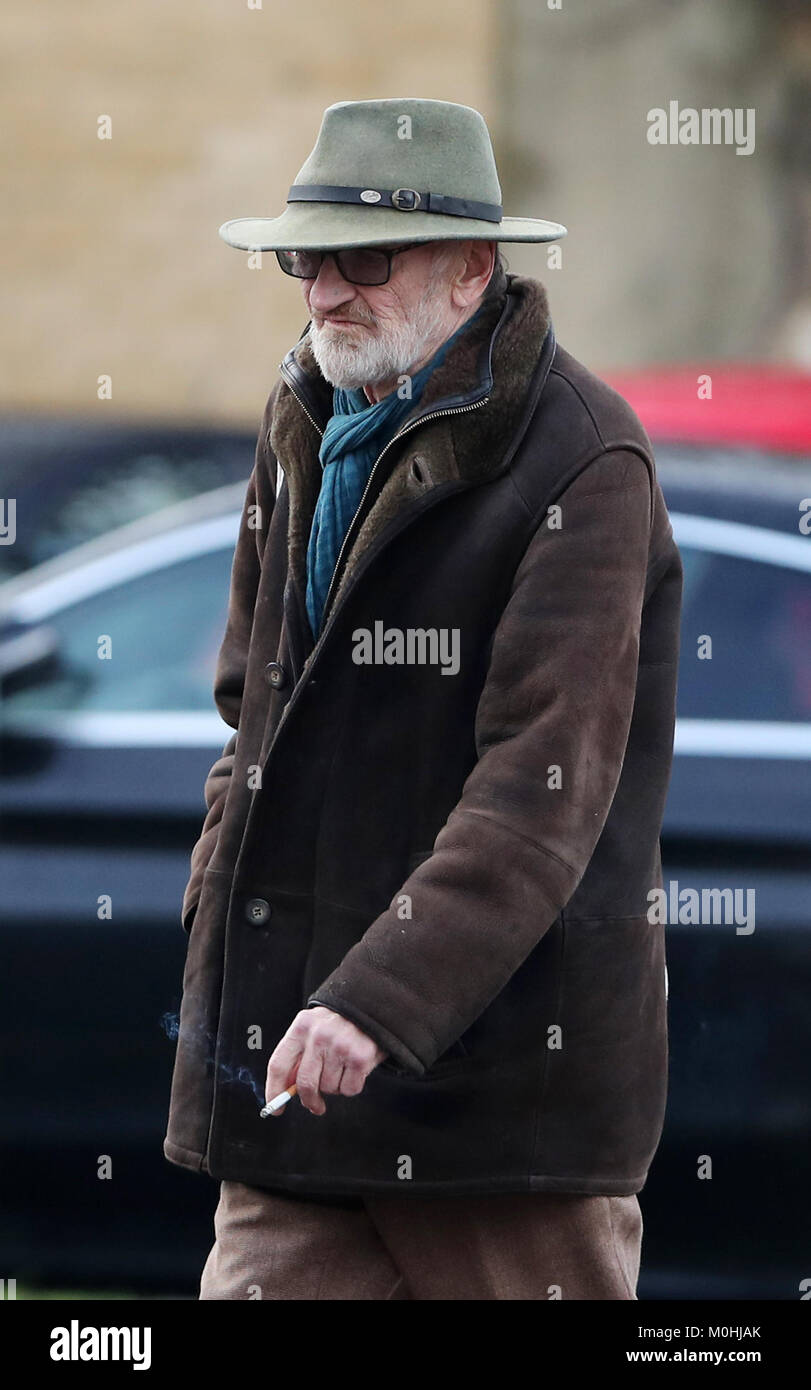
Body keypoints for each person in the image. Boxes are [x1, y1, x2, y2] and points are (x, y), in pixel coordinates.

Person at [164, 97, 683, 1301]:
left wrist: (376, 1002)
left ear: (469, 270)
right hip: (299, 1081)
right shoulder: (303, 415)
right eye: (305, 258)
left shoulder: (583, 456)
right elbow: (251, 712)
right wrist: (219, 915)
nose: (323, 291)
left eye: (365, 259)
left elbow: (538, 789)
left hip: (503, 1113)